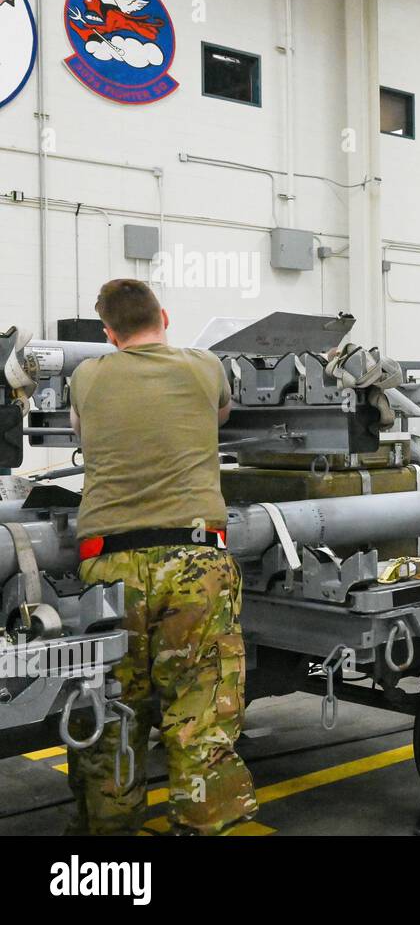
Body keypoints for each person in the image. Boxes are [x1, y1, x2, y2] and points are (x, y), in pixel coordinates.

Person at [67, 278, 257, 835]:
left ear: (108, 333)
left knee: (112, 716)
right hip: (193, 560)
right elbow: (222, 416)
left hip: (109, 566)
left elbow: (80, 428)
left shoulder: (87, 376)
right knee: (201, 717)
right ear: (165, 316)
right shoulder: (202, 367)